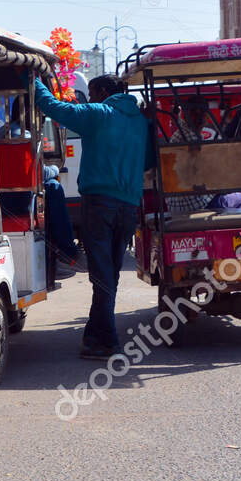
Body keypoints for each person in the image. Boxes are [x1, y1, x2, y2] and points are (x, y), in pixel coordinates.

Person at [33, 73, 151, 361]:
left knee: (102, 274)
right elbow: (147, 161)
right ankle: (94, 337)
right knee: (109, 273)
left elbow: (53, 107)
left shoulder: (100, 113)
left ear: (101, 92)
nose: (92, 98)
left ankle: (107, 340)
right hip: (128, 205)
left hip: (100, 203)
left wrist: (33, 78)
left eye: (93, 93)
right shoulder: (140, 121)